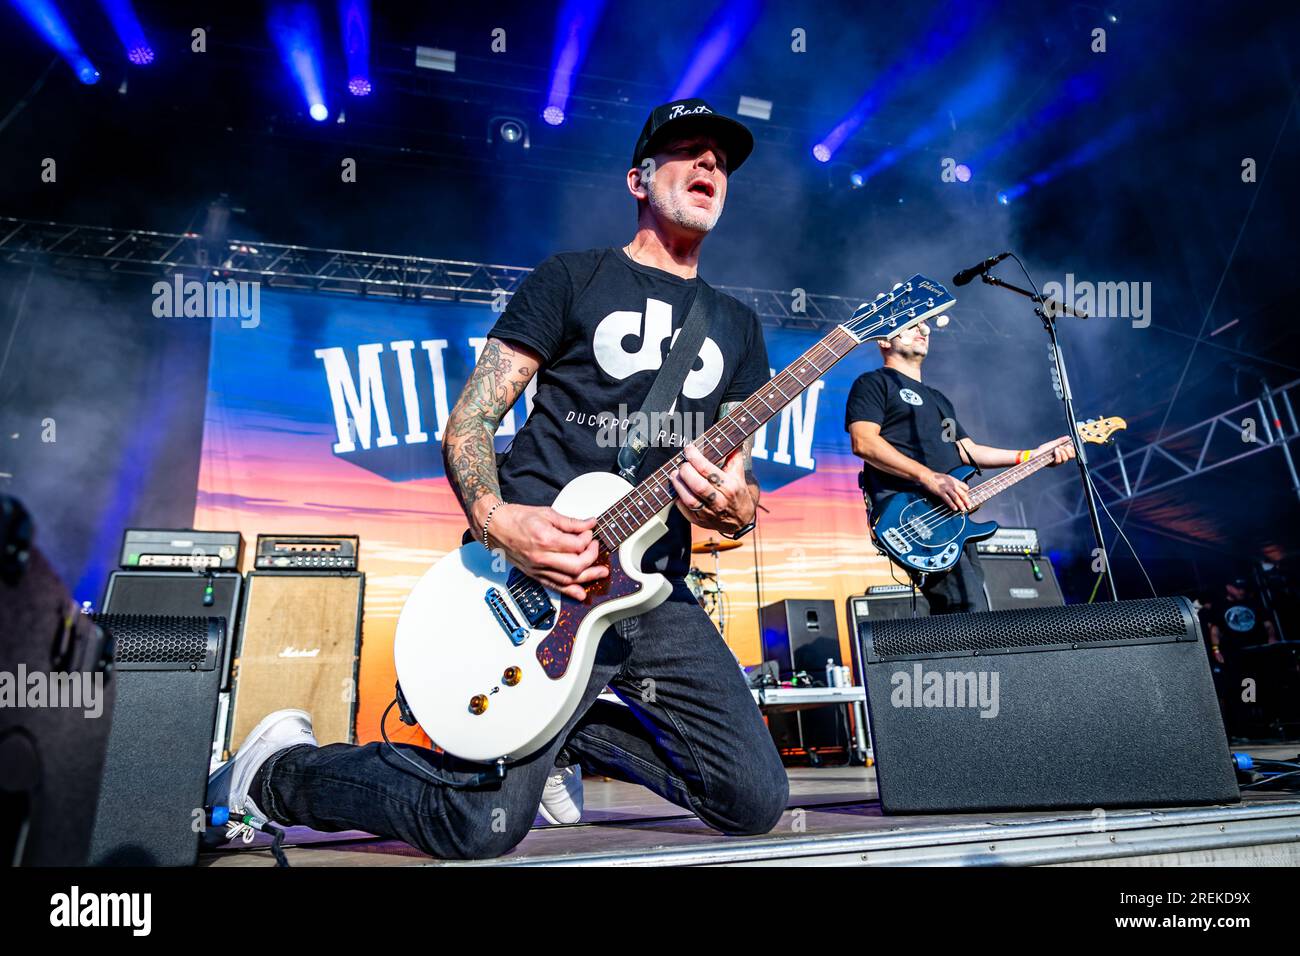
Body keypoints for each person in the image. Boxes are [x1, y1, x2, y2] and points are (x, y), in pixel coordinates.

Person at [207, 99, 789, 860]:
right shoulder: (572, 279)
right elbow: (470, 424)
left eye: (722, 158)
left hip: (650, 586)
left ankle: (557, 734)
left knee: (753, 800)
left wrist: (733, 510)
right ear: (638, 179)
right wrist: (499, 521)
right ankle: (277, 772)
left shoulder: (738, 327)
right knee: (475, 829)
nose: (710, 165)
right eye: (689, 150)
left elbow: (737, 490)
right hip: (536, 575)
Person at [845, 319, 1075, 613]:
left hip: (954, 516)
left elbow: (969, 452)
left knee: (966, 607)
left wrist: (1033, 455)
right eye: (911, 326)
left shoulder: (938, 400)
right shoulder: (873, 383)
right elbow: (864, 443)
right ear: (884, 341)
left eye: (925, 328)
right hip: (914, 519)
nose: (922, 331)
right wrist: (930, 478)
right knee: (967, 609)